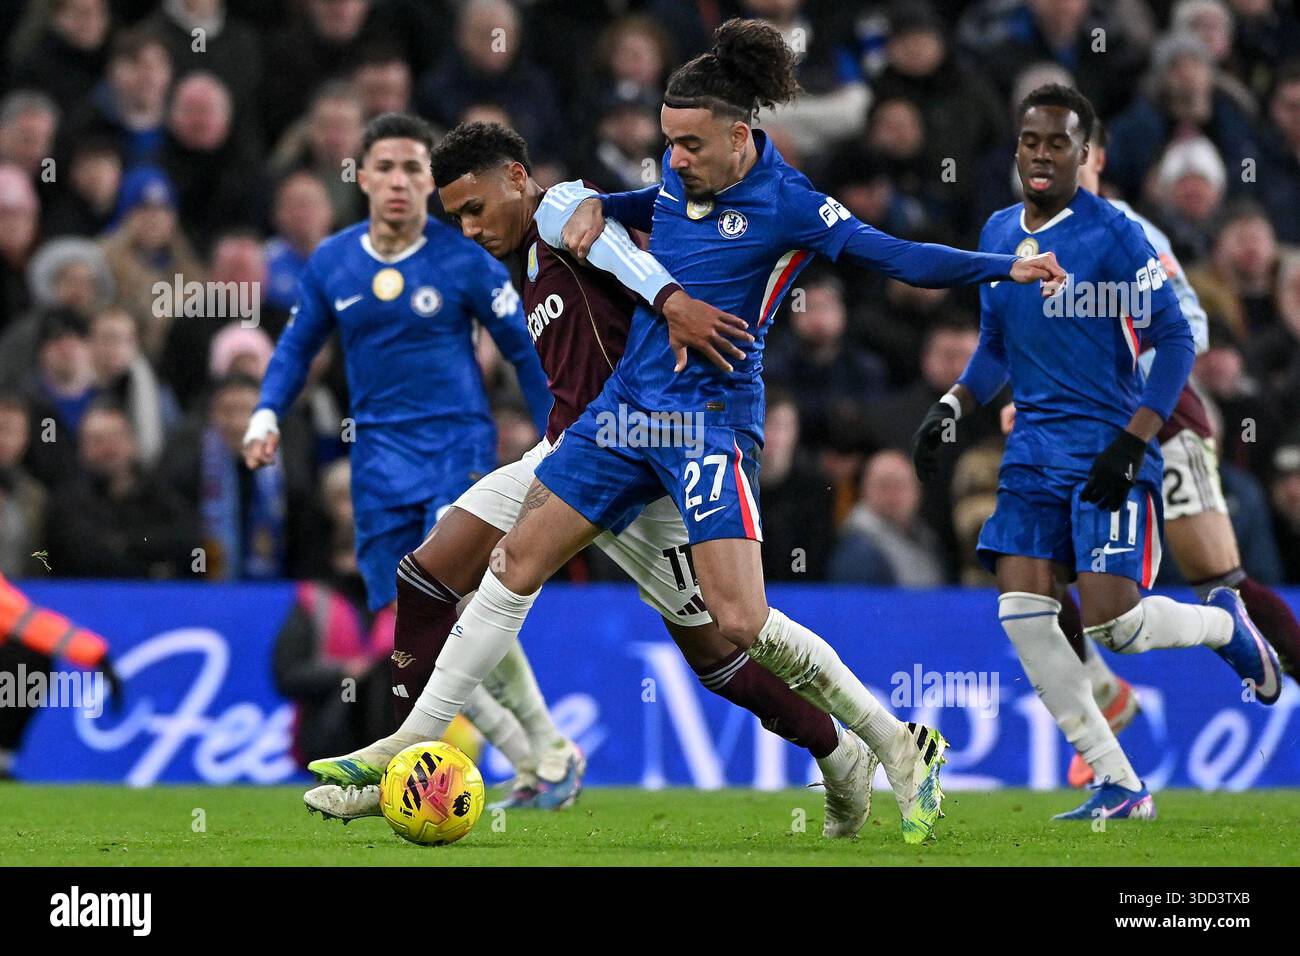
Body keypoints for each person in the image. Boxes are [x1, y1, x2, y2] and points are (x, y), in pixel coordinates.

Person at [313, 20, 1066, 845]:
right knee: (509, 562)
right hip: (620, 417)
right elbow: (621, 214)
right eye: (667, 144)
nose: (674, 161)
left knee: (737, 630)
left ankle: (886, 742)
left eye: (690, 145)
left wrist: (1005, 266)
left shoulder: (791, 205)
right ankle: (411, 741)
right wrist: (601, 204)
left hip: (706, 427)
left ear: (742, 135)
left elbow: (896, 256)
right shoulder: (669, 184)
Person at [305, 120, 873, 834]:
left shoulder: (564, 219)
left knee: (721, 655)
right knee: (426, 576)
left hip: (639, 466)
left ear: (517, 177)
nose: (469, 228)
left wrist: (671, 304)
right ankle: (403, 762)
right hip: (569, 455)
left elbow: (635, 261)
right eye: (455, 218)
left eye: (474, 208)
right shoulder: (529, 258)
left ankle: (841, 749)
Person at [912, 84, 1282, 822]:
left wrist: (1135, 440)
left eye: (1058, 143)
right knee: (1022, 610)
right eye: (1030, 141)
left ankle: (1223, 625)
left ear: (1086, 156)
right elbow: (994, 346)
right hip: (1032, 453)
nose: (1042, 155)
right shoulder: (994, 232)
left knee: (1117, 625)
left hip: (1106, 447)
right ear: (1016, 148)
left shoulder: (1114, 234)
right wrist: (954, 403)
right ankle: (1120, 783)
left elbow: (1175, 340)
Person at [1006, 119, 1300, 787]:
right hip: (1075, 431)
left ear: (1098, 158)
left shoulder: (1129, 231)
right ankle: (1105, 697)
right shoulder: (1025, 242)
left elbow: (1186, 323)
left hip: (1158, 421)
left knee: (1222, 580)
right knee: (1033, 575)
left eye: (1067, 150)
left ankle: (1225, 641)